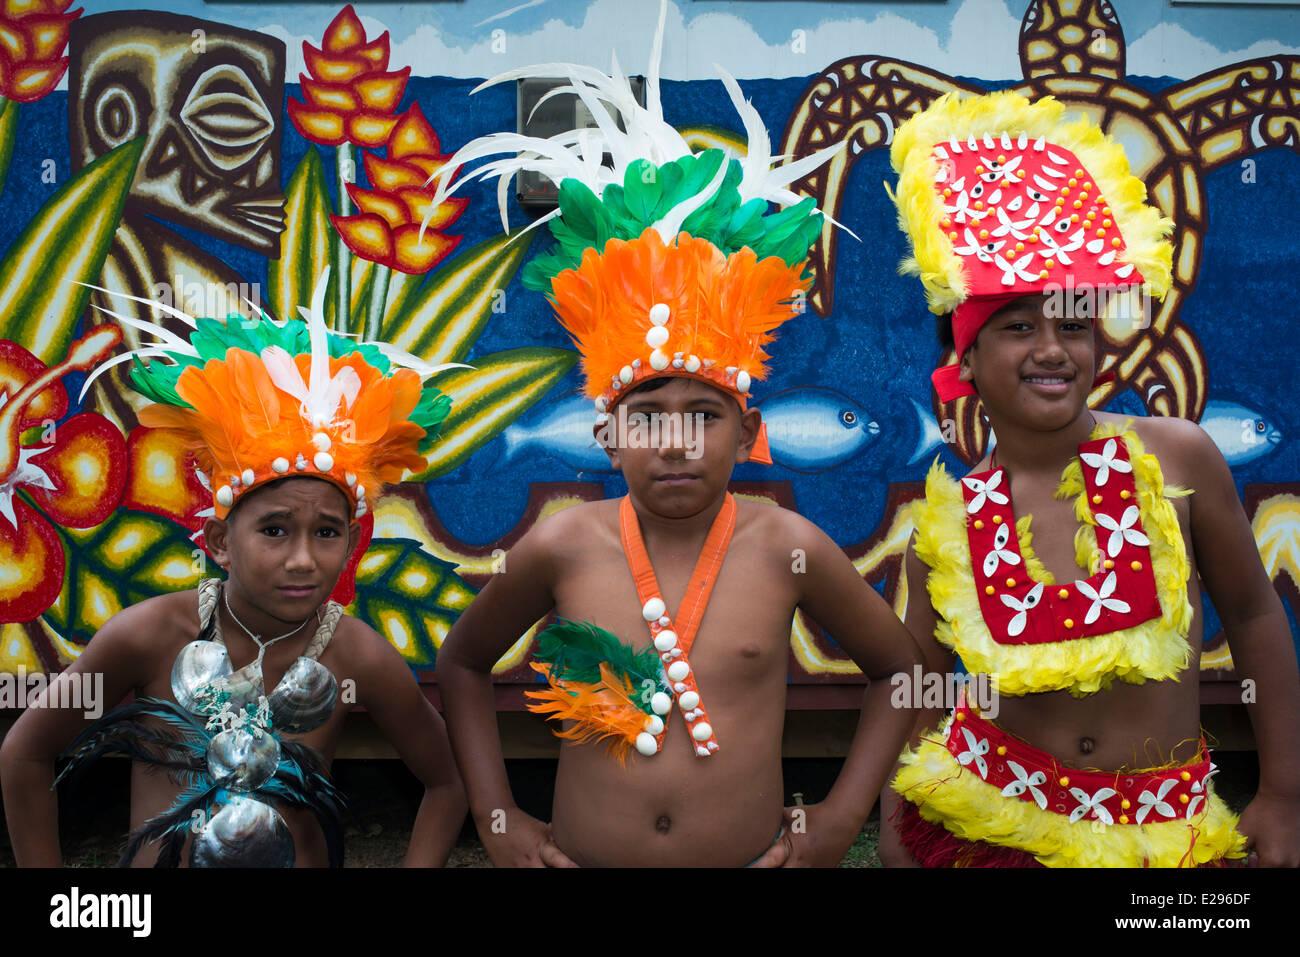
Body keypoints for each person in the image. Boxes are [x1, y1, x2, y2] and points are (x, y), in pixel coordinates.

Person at [431, 8, 923, 868]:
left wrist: (841, 819)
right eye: (647, 416)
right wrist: (498, 816)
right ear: (606, 433)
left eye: (704, 416)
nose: (675, 441)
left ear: (749, 432)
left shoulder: (788, 547)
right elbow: (464, 663)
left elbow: (901, 672)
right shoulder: (563, 544)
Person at [879, 90, 1300, 867]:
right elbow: (923, 694)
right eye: (1018, 327)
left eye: (1073, 325)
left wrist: (1283, 792)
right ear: (964, 361)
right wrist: (896, 818)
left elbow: (1254, 614)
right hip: (992, 823)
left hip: (1162, 834)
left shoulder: (1177, 455)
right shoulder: (946, 523)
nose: (1052, 349)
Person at [0, 271, 468, 867]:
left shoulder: (357, 656)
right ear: (220, 540)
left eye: (326, 533)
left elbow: (447, 784)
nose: (302, 558)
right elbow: (25, 753)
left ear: (351, 542)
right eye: (274, 530)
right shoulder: (147, 636)